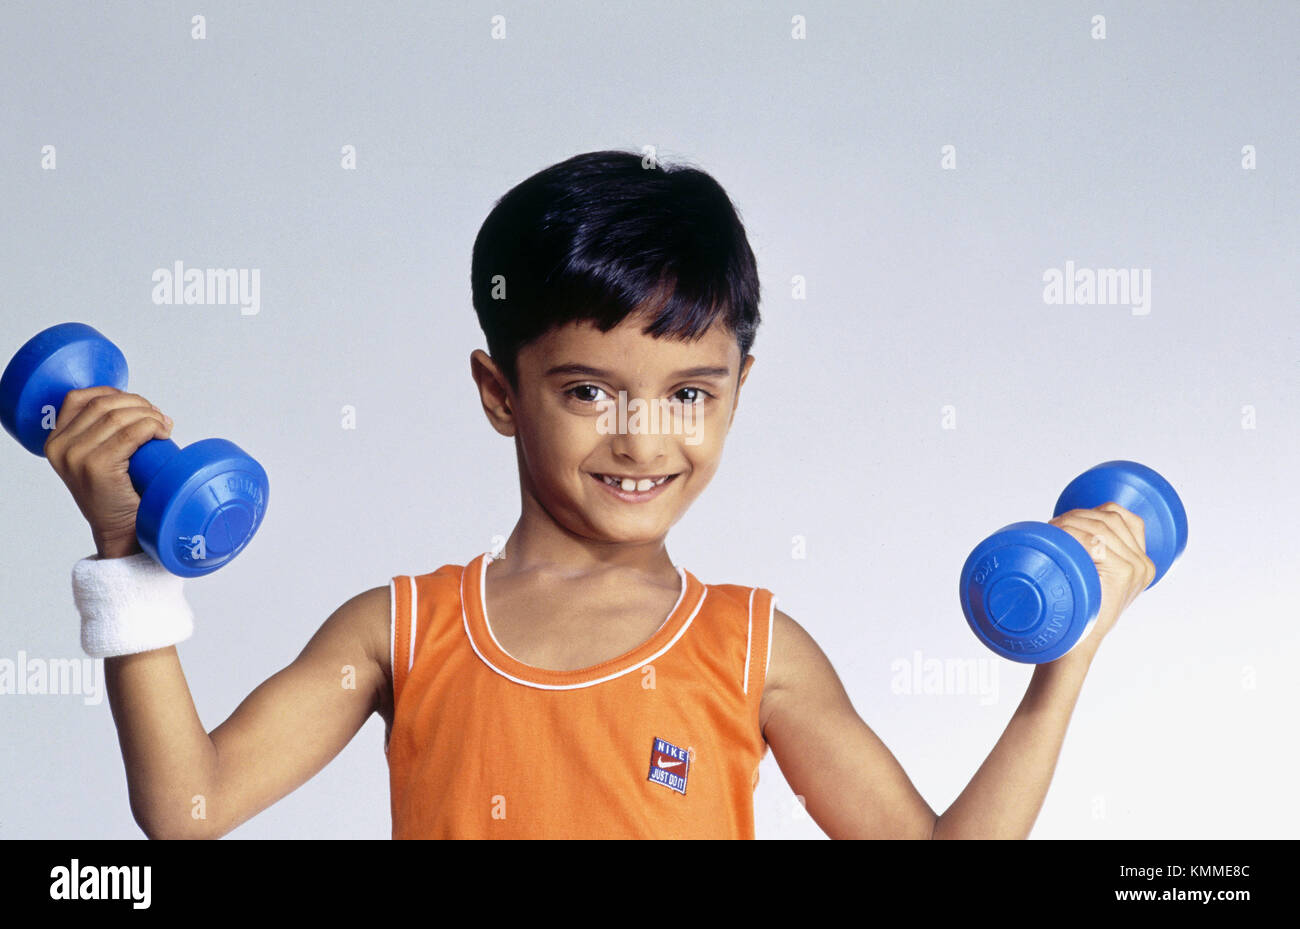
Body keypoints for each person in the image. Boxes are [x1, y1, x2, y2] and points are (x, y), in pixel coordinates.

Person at [52, 149, 1156, 839]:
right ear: (500, 392)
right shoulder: (399, 630)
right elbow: (188, 807)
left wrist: (1064, 663)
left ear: (738, 391)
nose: (642, 436)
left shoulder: (754, 649)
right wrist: (127, 551)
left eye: (689, 393)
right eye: (588, 389)